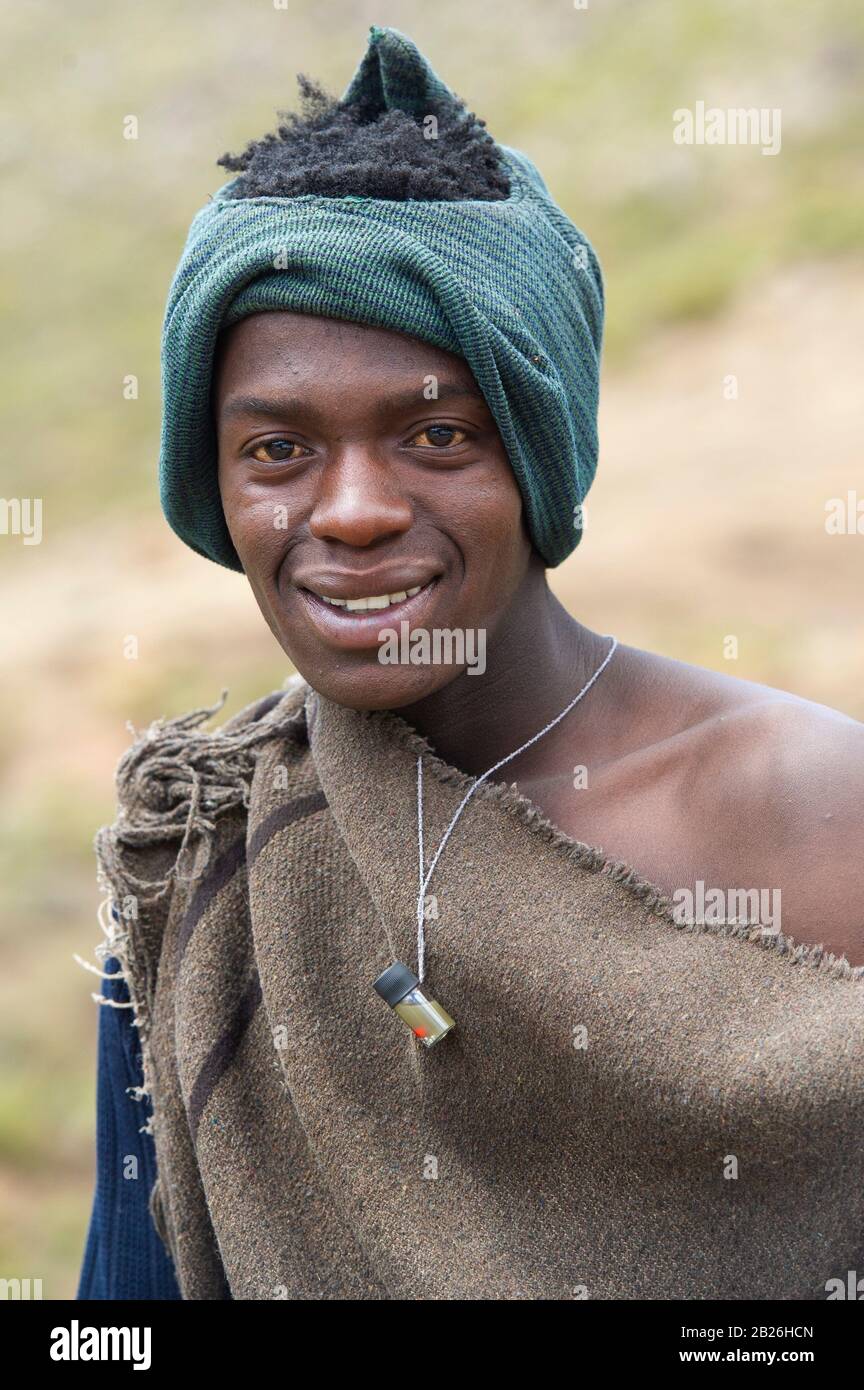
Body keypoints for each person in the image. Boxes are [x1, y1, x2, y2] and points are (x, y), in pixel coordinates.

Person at [77, 24, 864, 1301]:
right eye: (276, 451)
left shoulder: (817, 819)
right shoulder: (210, 861)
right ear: (212, 489)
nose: (350, 511)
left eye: (437, 433)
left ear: (541, 459)